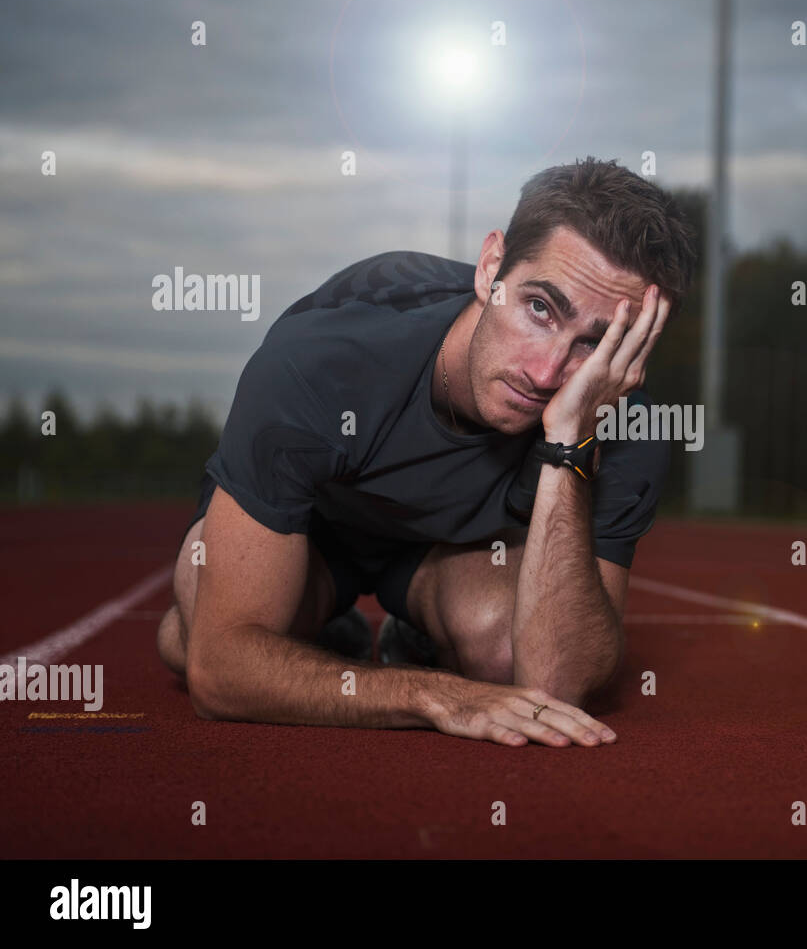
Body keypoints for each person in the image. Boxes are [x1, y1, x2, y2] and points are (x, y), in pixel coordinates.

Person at [155, 157, 698, 748]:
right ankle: (323, 636)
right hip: (312, 532)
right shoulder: (324, 356)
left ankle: (412, 638)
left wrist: (571, 442)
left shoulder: (623, 418)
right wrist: (434, 694)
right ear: (490, 268)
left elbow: (555, 684)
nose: (546, 374)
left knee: (507, 654)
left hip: (451, 556)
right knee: (197, 631)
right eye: (540, 308)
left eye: (594, 343)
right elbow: (219, 674)